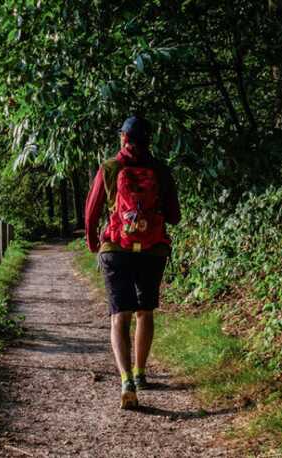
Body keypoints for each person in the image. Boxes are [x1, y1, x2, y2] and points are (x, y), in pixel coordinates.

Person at [84, 116, 181, 409]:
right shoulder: (161, 170)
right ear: (149, 141)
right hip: (152, 250)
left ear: (123, 139)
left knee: (119, 316)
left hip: (116, 248)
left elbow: (91, 212)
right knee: (144, 311)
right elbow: (175, 217)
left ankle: (126, 379)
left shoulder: (110, 168)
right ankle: (141, 373)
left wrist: (93, 243)